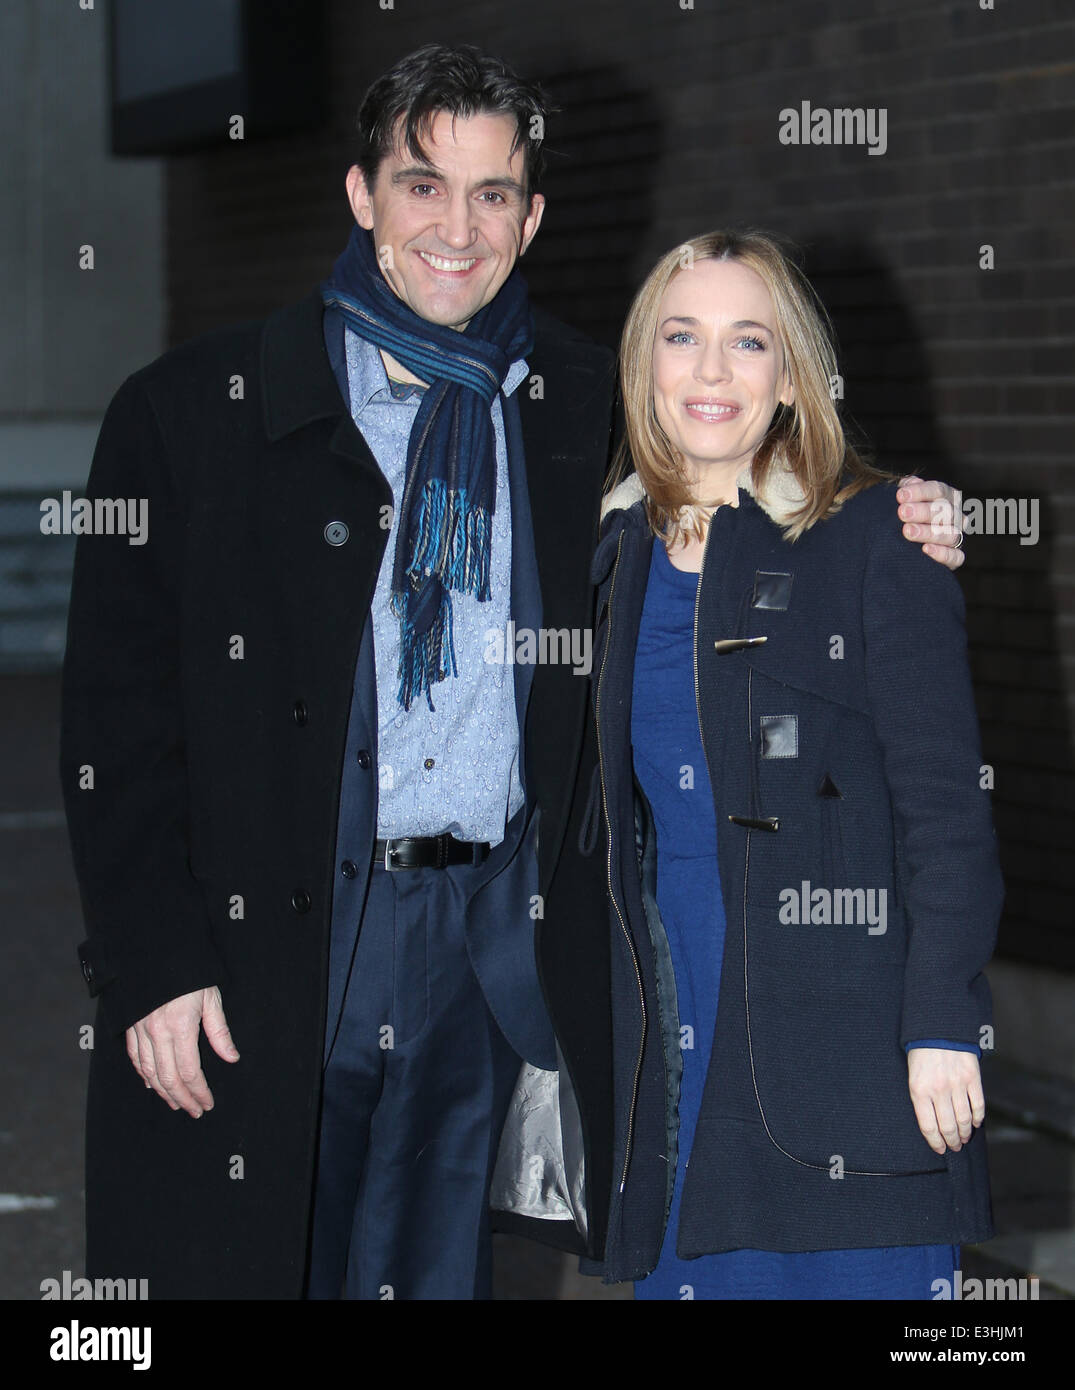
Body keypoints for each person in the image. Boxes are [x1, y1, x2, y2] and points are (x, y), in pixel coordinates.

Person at [59, 41, 965, 1300]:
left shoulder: (575, 402)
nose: (455, 226)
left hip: (485, 946)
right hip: (273, 941)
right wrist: (153, 960)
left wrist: (896, 507)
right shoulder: (189, 412)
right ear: (361, 195)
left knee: (437, 1272)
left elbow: (735, 463)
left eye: (493, 194)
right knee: (249, 1261)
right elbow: (116, 720)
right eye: (421, 184)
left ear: (531, 216)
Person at [588, 229, 1002, 1298]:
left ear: (791, 378)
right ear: (645, 363)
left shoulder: (876, 540)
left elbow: (945, 811)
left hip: (851, 1053)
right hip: (670, 1060)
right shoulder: (603, 558)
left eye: (748, 341)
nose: (711, 371)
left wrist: (943, 1019)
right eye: (682, 336)